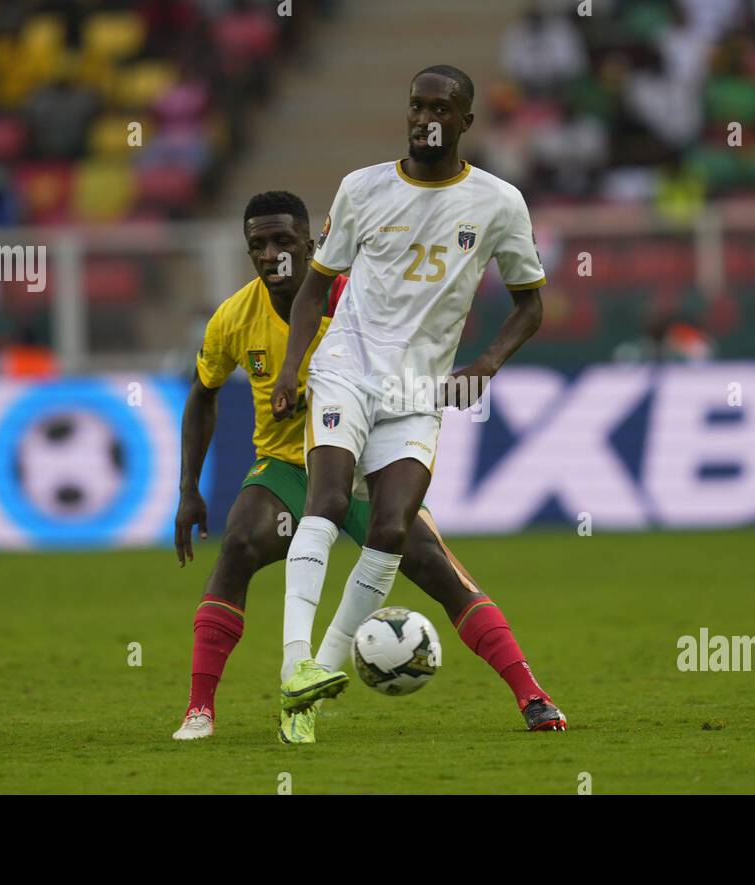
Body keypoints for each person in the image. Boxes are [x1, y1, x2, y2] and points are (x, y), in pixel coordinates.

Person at [173, 189, 564, 743]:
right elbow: (202, 393)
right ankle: (200, 710)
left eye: (284, 241)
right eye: (258, 245)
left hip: (365, 468)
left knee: (438, 570)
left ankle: (532, 694)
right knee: (238, 543)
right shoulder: (234, 318)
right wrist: (189, 488)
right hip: (287, 468)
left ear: (314, 244)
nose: (271, 254)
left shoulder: (365, 302)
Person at [268, 66, 565, 736]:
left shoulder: (498, 203)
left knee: (395, 528)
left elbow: (531, 303)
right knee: (328, 498)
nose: (426, 118)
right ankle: (294, 665)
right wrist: (294, 366)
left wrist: (487, 362)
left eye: (442, 107)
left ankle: (316, 681)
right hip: (346, 367)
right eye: (416, 106)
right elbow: (315, 288)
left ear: (466, 121)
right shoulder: (362, 187)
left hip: (416, 389)